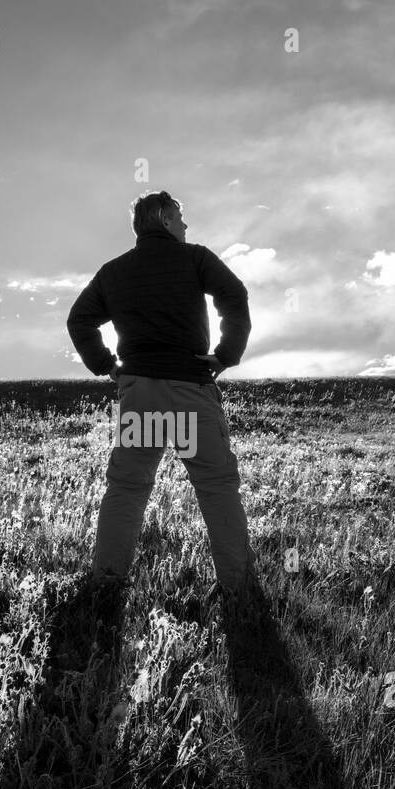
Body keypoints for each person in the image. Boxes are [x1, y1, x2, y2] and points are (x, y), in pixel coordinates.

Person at [66, 190, 253, 598]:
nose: (186, 225)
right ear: (165, 220)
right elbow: (234, 296)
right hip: (190, 391)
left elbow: (79, 320)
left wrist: (106, 365)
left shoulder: (113, 272)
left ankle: (107, 585)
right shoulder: (196, 258)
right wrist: (225, 355)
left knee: (128, 488)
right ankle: (239, 590)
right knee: (217, 487)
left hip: (140, 397)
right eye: (181, 217)